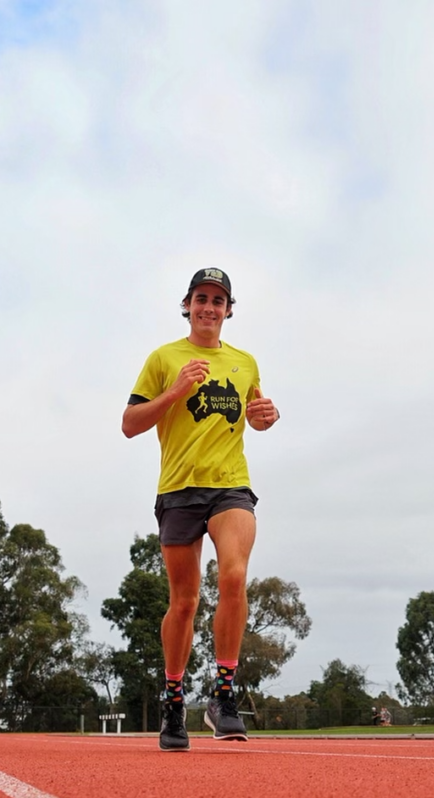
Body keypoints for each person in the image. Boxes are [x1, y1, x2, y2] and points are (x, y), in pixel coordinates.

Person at [122, 267, 280, 751]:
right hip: (178, 489)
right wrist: (174, 392)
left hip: (230, 486)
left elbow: (255, 416)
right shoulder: (163, 358)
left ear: (229, 310)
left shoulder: (245, 363)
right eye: (201, 298)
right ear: (187, 305)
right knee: (185, 601)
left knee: (233, 576)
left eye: (218, 300)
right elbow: (130, 424)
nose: (209, 307)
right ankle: (173, 703)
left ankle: (223, 697)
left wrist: (266, 416)